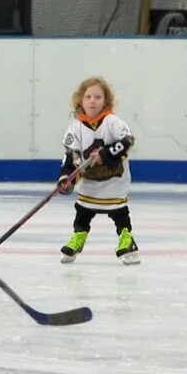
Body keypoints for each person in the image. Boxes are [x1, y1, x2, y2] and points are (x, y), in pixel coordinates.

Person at [56, 76, 140, 265]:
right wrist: (66, 178)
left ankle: (127, 239)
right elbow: (71, 156)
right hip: (89, 183)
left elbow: (128, 141)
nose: (93, 101)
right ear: (80, 100)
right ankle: (78, 237)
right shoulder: (75, 127)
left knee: (119, 213)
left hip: (114, 182)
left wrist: (106, 154)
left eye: (98, 97)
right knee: (83, 211)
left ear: (106, 101)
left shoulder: (112, 122)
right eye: (88, 97)